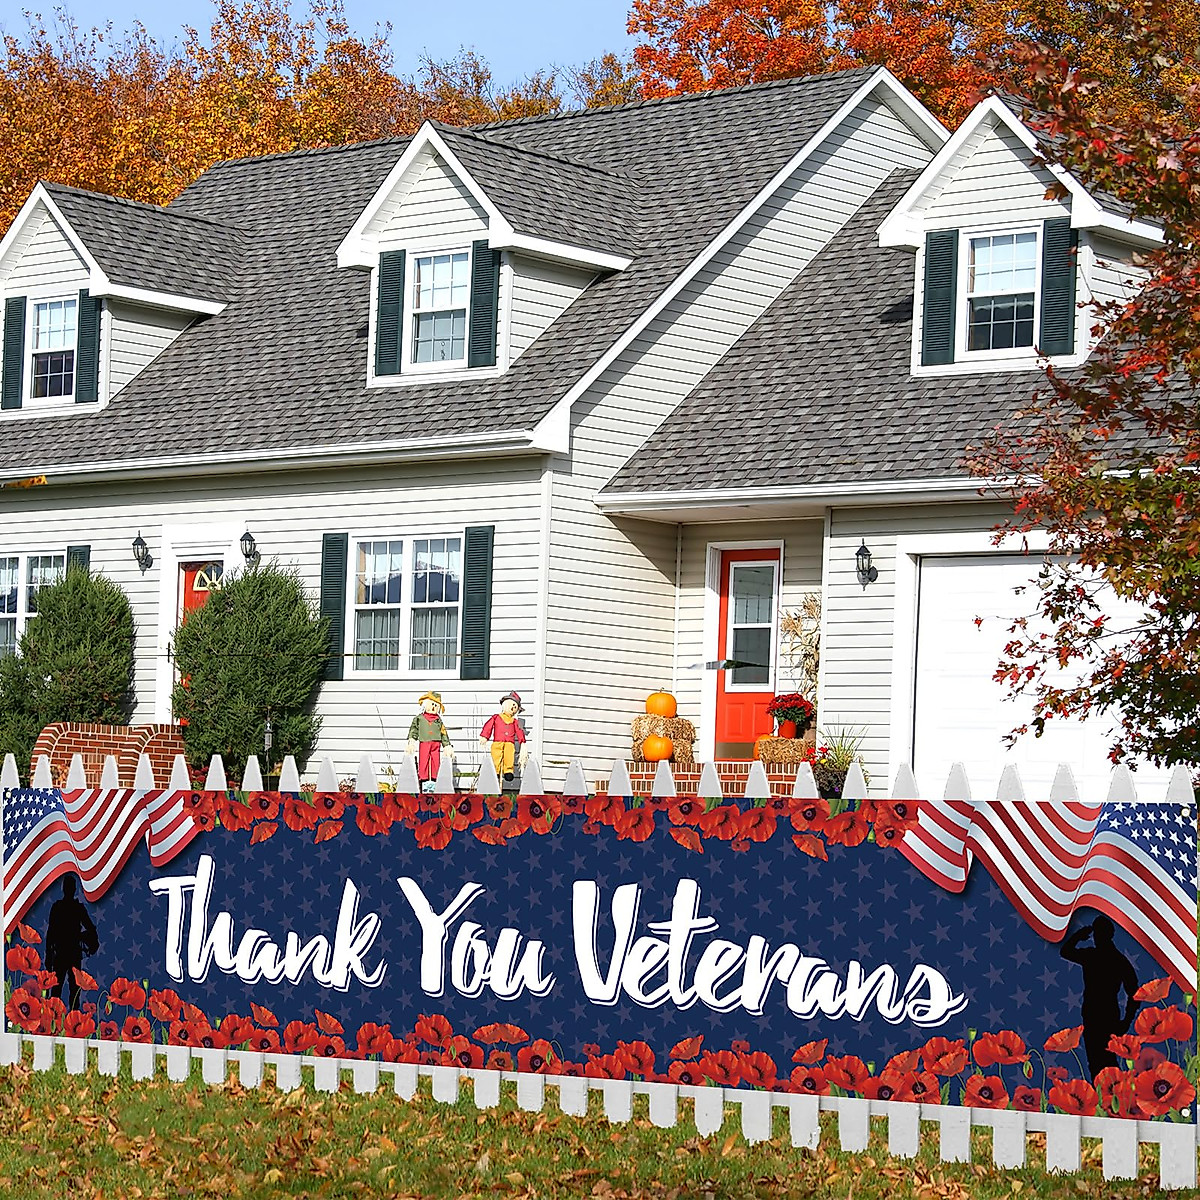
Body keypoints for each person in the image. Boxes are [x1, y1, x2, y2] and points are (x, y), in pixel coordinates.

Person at [1060, 914, 1139, 1079]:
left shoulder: (1101, 958)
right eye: (1096, 933)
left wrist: (1127, 1020)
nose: (1096, 937)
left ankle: (1114, 1090)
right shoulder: (1109, 958)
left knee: (1103, 1059)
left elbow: (1134, 994)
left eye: (1099, 933)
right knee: (1097, 1060)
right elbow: (1065, 952)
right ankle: (1106, 1091)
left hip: (1104, 1015)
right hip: (1097, 1015)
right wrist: (1126, 1020)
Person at [45, 875, 98, 1011]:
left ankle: (72, 1018)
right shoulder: (62, 907)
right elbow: (51, 933)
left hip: (70, 952)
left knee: (73, 990)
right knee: (59, 989)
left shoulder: (73, 908)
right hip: (63, 952)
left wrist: (90, 941)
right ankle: (55, 1018)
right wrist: (49, 956)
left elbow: (90, 928)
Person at [406, 690, 454, 793]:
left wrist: (446, 745)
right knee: (424, 761)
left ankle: (435, 780)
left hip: (436, 744)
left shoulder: (438, 720)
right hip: (425, 742)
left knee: (435, 762)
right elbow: (414, 730)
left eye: (436, 705)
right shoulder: (419, 718)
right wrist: (412, 740)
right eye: (432, 704)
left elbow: (443, 733)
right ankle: (424, 780)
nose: (433, 707)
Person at [479, 691, 530, 782]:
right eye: (512, 705)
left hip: (509, 744)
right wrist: (485, 736)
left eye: (515, 707)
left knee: (509, 756)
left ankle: (508, 771)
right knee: (496, 756)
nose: (513, 708)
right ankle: (496, 771)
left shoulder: (514, 722)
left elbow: (519, 731)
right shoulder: (496, 717)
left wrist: (522, 741)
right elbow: (488, 726)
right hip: (497, 742)